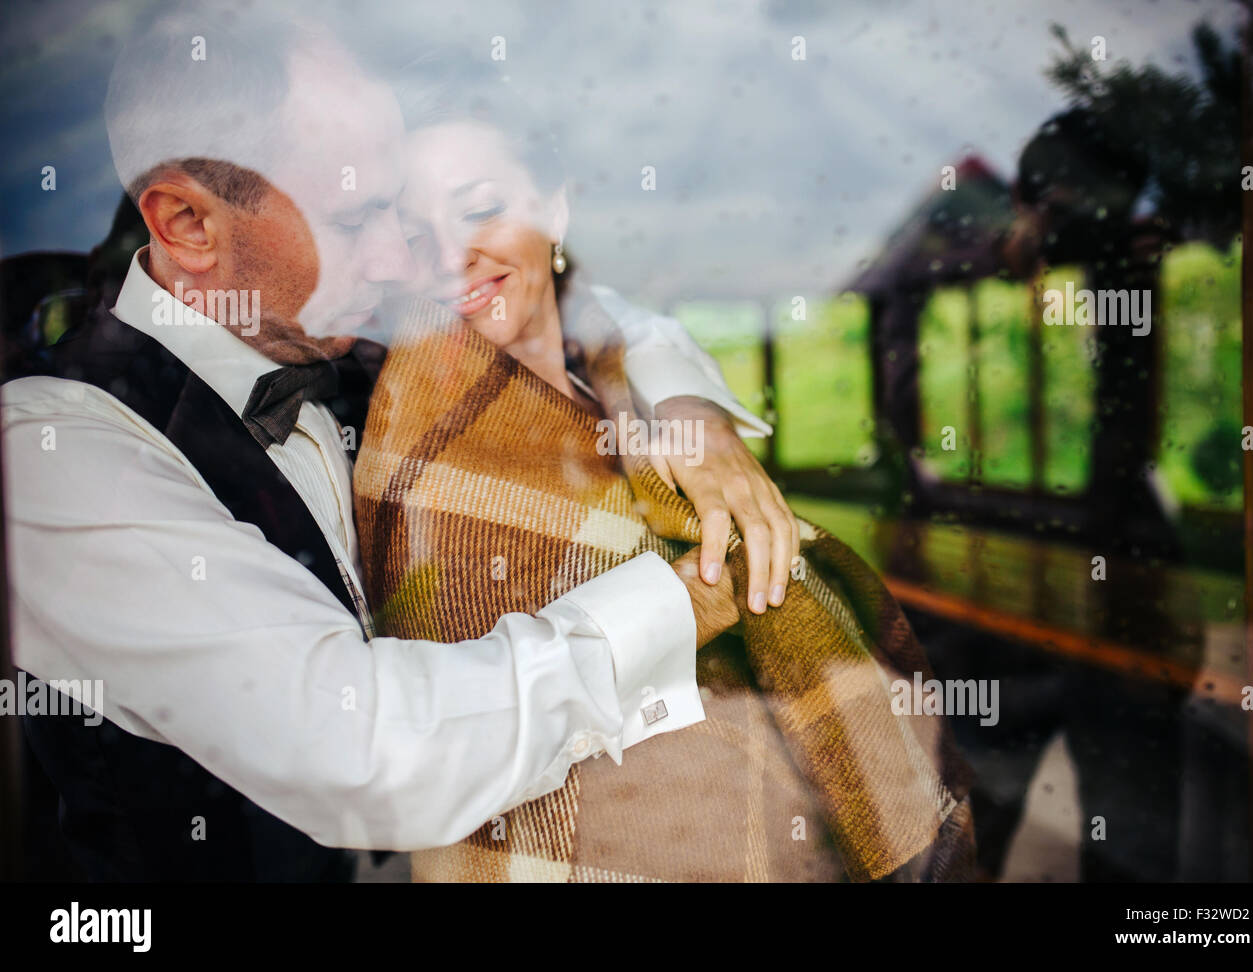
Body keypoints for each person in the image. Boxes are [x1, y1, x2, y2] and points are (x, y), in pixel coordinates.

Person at [1, 9, 799, 881]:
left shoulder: (350, 346)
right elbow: (367, 750)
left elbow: (579, 313)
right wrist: (670, 609)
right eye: (354, 221)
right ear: (189, 225)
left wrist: (692, 410)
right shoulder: (55, 451)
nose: (397, 261)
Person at [351, 94, 976, 881]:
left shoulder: (620, 380)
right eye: (413, 234)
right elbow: (445, 730)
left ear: (556, 207)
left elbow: (624, 325)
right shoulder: (414, 442)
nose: (449, 254)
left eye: (480, 208)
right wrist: (698, 594)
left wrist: (689, 405)